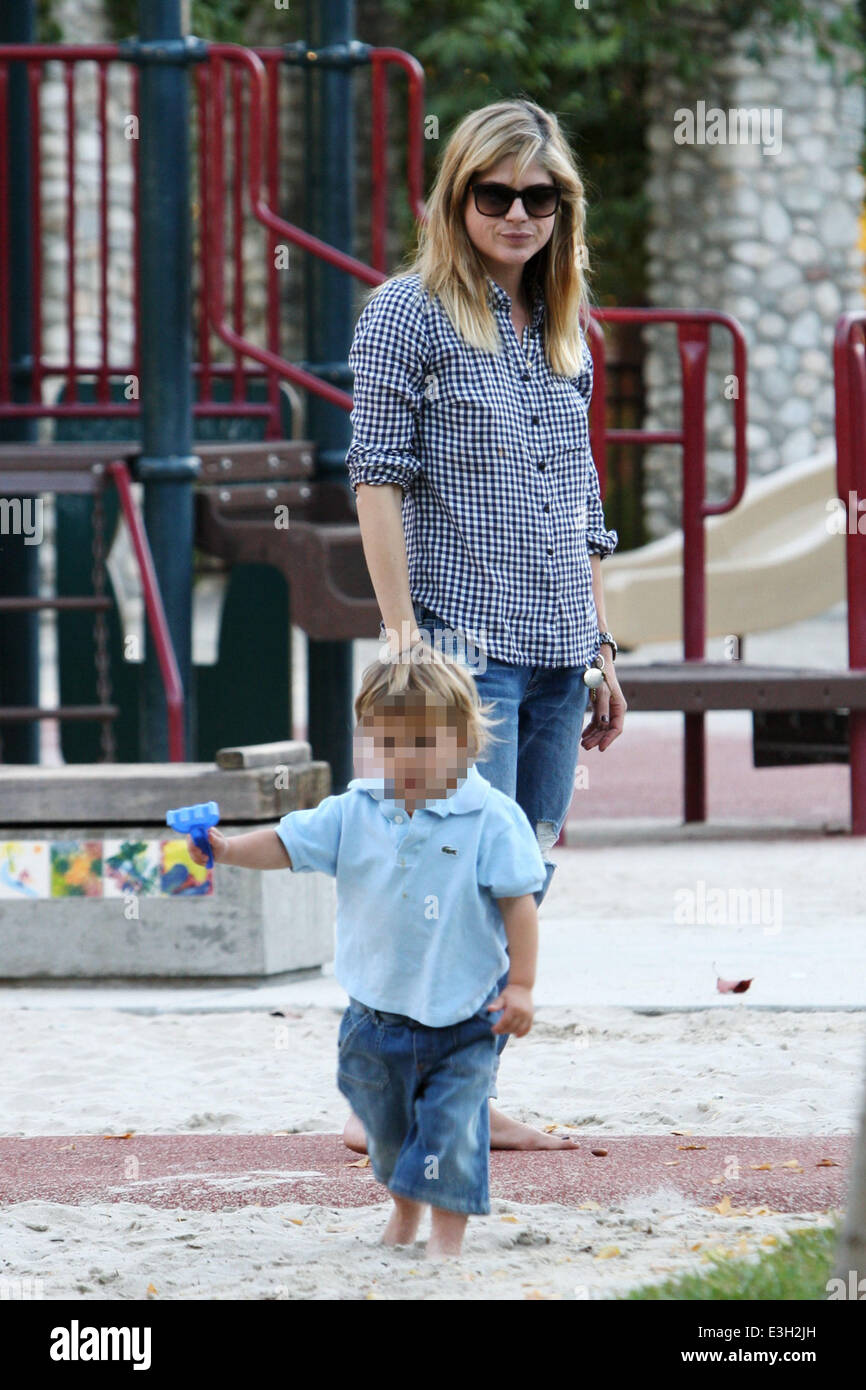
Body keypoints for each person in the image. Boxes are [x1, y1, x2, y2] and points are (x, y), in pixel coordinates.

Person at [344, 97, 628, 1152]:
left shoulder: (559, 327)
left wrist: (600, 644)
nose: (517, 212)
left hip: (559, 647)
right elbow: (377, 479)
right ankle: (417, 1093)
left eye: (538, 196)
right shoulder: (405, 315)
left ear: (561, 208)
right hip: (464, 652)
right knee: (448, 875)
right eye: (494, 193)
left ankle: (438, 1084)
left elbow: (579, 494)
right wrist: (401, 633)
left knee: (521, 871)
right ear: (455, 195)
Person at [186, 644, 547, 1259]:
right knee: (388, 1137)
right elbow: (284, 842)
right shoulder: (354, 811)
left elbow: (519, 904)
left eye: (424, 744)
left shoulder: (491, 817)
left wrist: (522, 987)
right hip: (373, 1019)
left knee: (453, 1132)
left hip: (464, 1018)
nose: (404, 760)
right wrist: (225, 851)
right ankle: (403, 1213)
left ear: (464, 741)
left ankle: (446, 1244)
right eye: (388, 743)